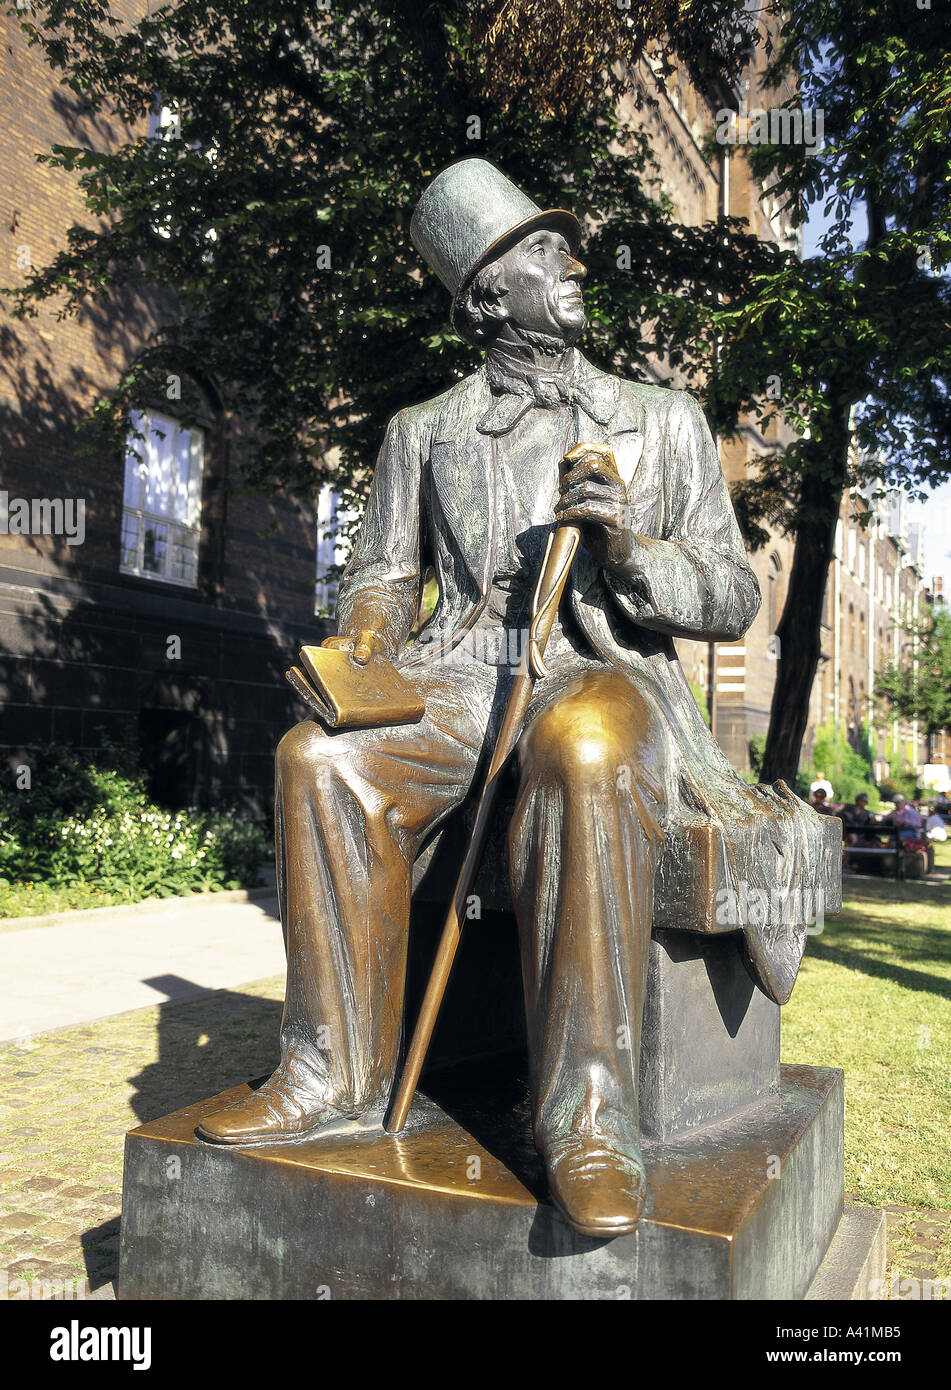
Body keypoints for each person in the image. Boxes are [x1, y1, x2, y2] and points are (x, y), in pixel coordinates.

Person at [196, 159, 827, 1238]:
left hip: (603, 676)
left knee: (584, 748)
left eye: (564, 245)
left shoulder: (661, 418)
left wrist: (630, 548)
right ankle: (330, 1074)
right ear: (487, 295)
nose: (572, 261)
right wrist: (366, 633)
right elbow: (385, 573)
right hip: (456, 676)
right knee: (318, 757)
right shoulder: (422, 430)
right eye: (541, 250)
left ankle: (588, 1117)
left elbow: (732, 594)